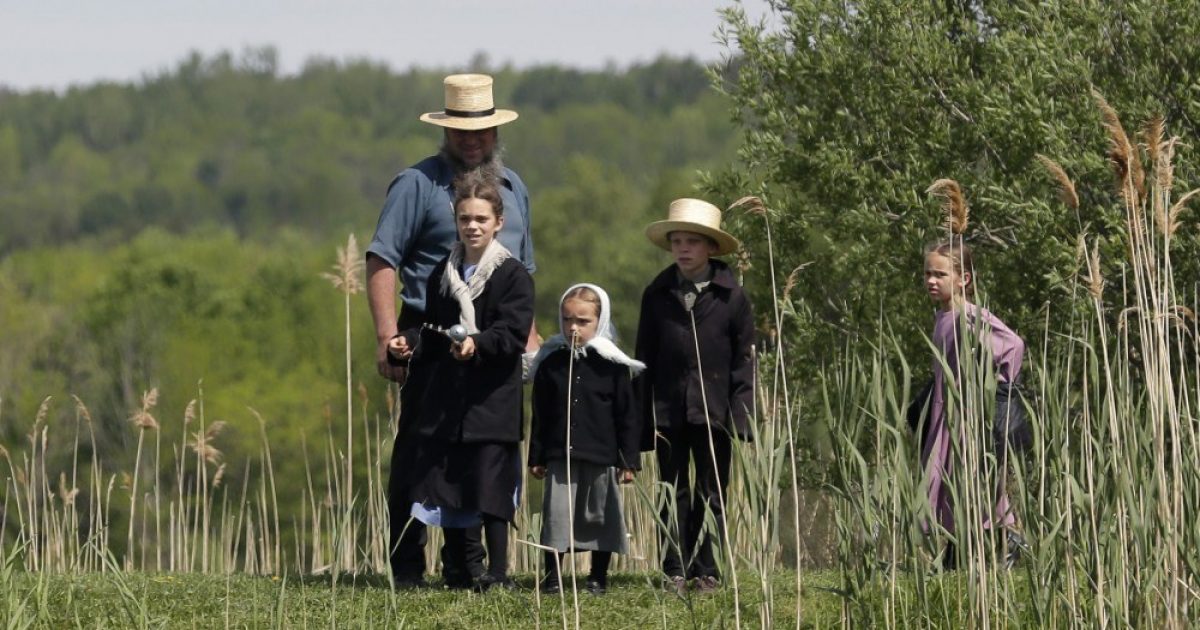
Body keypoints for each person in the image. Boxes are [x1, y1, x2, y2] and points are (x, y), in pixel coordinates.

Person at [366, 73, 537, 588]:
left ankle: (467, 568)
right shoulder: (416, 184)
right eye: (462, 129)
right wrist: (386, 335)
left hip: (493, 345)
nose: (472, 139)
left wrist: (527, 339)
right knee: (421, 453)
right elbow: (381, 258)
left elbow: (523, 271)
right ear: (446, 130)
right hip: (429, 334)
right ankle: (407, 568)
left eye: (481, 130)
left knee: (477, 455)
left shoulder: (514, 189)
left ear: (495, 132)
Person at [387, 171, 533, 592]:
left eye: (481, 219)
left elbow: (513, 334)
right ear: (456, 219)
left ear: (499, 223)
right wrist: (408, 342)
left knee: (490, 490)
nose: (472, 226)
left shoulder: (513, 275)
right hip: (450, 400)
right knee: (452, 486)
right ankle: (458, 572)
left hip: (492, 401)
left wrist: (476, 344)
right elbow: (432, 330)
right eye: (466, 218)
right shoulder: (442, 274)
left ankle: (499, 573)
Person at [635, 198, 755, 595]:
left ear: (711, 248)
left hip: (714, 409)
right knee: (672, 490)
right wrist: (642, 418)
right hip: (668, 409)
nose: (683, 249)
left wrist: (741, 414)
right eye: (677, 242)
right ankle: (674, 569)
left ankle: (709, 569)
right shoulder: (657, 293)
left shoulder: (731, 297)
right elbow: (643, 358)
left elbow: (743, 360)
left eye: (692, 242)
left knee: (712, 491)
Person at [527, 284, 644, 596]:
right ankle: (552, 578)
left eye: (582, 321)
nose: (573, 328)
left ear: (600, 321)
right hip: (559, 455)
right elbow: (540, 413)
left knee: (600, 516)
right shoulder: (550, 363)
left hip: (601, 454)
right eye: (567, 320)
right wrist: (536, 455)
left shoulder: (614, 366)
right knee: (556, 517)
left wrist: (628, 459)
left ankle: (597, 577)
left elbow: (627, 416)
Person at [920, 239, 1026, 568]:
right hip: (944, 414)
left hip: (965, 417)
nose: (931, 281)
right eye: (927, 274)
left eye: (940, 274)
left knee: (970, 483)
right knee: (946, 484)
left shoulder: (970, 316)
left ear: (963, 278)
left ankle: (1007, 541)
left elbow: (1013, 345)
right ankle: (956, 556)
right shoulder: (945, 316)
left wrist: (998, 392)